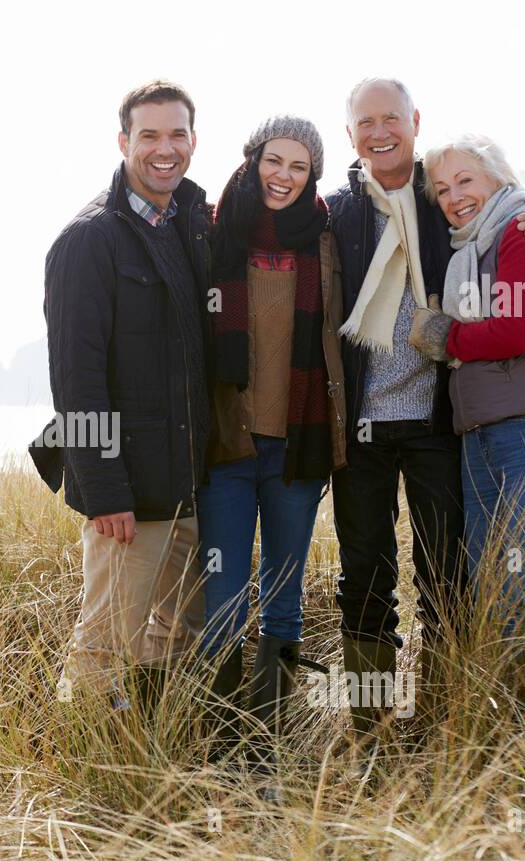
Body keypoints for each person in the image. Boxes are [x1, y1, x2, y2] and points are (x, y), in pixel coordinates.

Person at [326, 78, 525, 748]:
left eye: (393, 117)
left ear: (414, 122)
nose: (380, 131)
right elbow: (263, 216)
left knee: (450, 575)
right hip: (362, 428)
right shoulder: (336, 213)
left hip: (441, 425)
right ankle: (374, 729)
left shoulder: (443, 197)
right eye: (366, 122)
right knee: (365, 577)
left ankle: (452, 720)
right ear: (351, 133)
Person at [29, 80, 214, 714]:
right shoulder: (88, 241)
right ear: (123, 142)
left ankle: (149, 756)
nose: (166, 149)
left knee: (176, 638)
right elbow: (76, 379)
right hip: (127, 495)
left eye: (177, 135)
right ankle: (79, 770)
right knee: (105, 644)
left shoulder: (190, 229)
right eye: (150, 136)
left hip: (188, 483)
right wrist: (106, 492)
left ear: (193, 140)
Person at [196, 115, 347, 775]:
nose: (284, 175)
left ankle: (267, 748)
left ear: (313, 174)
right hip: (226, 452)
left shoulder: (327, 239)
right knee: (223, 601)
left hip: (297, 452)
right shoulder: (211, 229)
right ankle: (220, 747)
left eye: (300, 166)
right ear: (254, 158)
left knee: (284, 599)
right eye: (274, 160)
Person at [410, 134, 525, 661]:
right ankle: (495, 731)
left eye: (465, 180)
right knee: (493, 589)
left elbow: (516, 332)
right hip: (486, 434)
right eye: (443, 189)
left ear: (497, 178)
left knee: (522, 596)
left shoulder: (524, 231)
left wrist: (444, 336)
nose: (454, 196)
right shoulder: (469, 249)